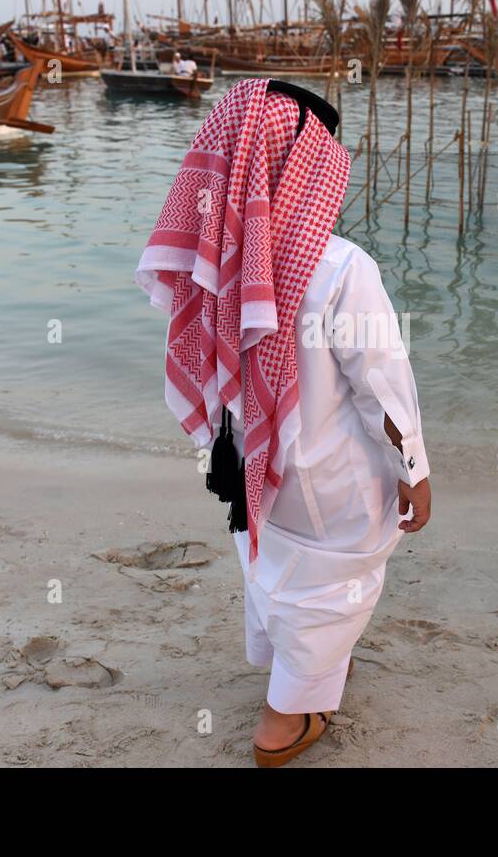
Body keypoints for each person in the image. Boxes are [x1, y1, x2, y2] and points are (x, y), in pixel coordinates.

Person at [136, 79, 432, 767]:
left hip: (249, 464)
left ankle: (295, 664)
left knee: (273, 562)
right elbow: (382, 385)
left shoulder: (213, 255)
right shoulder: (339, 267)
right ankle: (283, 715)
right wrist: (415, 469)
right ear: (307, 162)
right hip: (332, 476)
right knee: (332, 581)